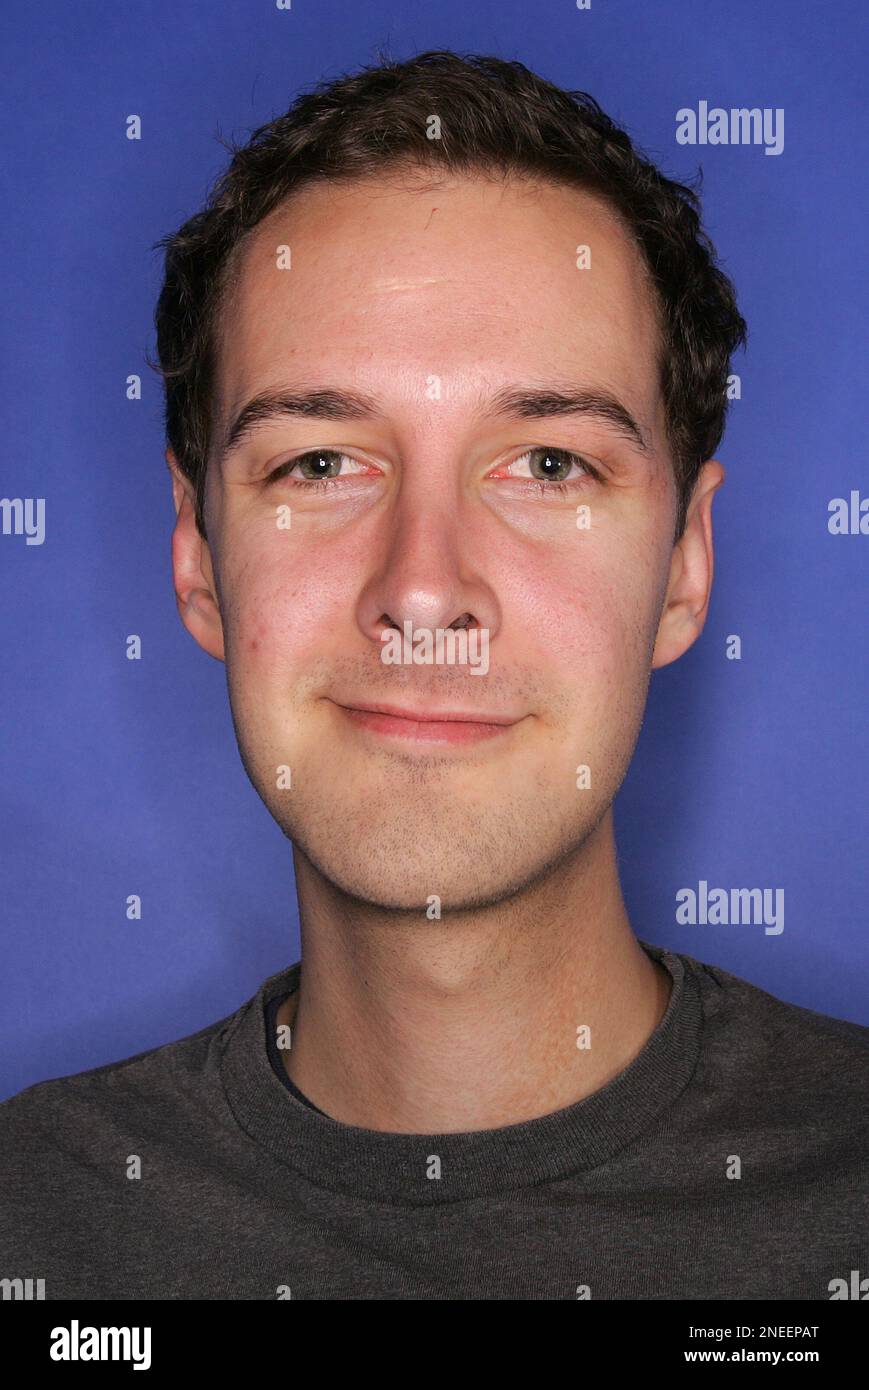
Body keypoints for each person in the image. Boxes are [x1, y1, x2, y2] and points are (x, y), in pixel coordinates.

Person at [1, 49, 866, 1302]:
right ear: (197, 558)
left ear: (684, 565)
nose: (420, 588)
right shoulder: (31, 1233)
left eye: (549, 464)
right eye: (319, 463)